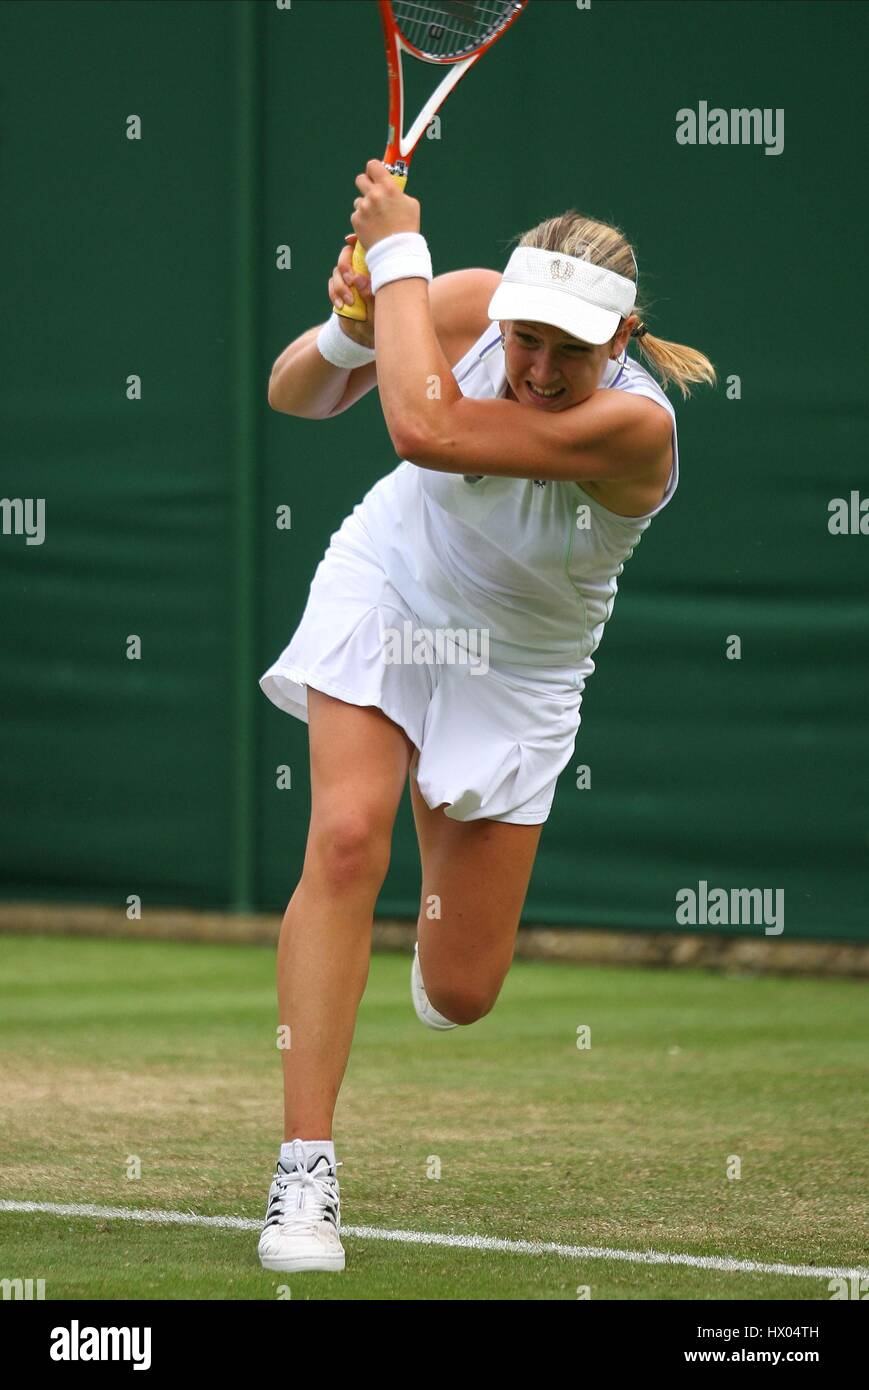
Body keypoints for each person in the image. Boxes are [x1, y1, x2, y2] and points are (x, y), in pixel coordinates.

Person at [256, 160, 716, 1274]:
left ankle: (438, 808)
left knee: (461, 994)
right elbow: (296, 394)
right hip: (393, 589)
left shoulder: (634, 434)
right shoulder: (456, 302)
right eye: (524, 341)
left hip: (517, 669)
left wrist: (397, 252)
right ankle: (302, 1173)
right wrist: (348, 317)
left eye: (572, 349)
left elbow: (429, 430)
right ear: (499, 312)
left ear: (621, 341)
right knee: (345, 836)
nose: (542, 370)